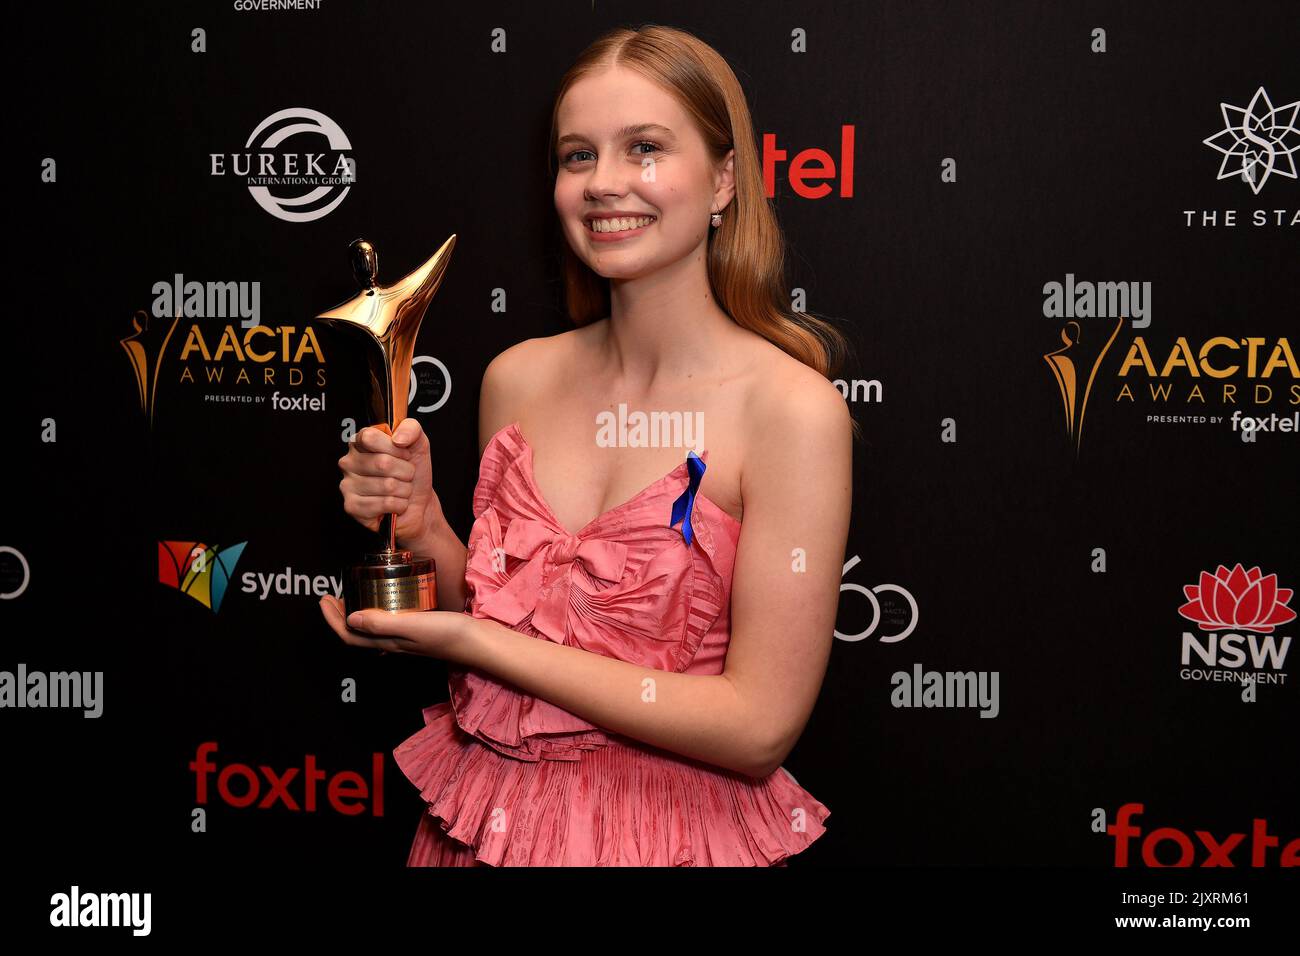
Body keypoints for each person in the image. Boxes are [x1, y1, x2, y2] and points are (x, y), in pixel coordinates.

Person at [319, 23, 856, 866]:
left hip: (665, 841)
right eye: (578, 156)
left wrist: (476, 646)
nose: (605, 183)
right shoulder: (516, 380)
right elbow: (498, 609)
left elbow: (759, 728)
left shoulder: (791, 411)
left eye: (644, 148)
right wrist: (422, 526)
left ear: (723, 180)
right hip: (480, 830)